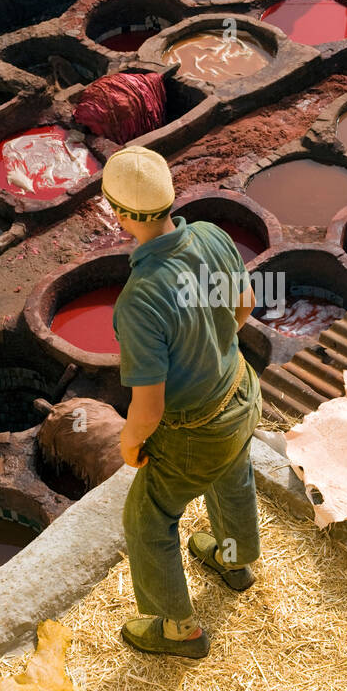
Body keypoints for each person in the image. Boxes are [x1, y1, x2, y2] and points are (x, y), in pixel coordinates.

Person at [105, 145, 262, 661]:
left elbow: (147, 409)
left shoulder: (140, 299)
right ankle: (234, 562)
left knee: (149, 520)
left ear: (122, 214)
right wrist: (210, 346)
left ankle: (178, 630)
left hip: (195, 428)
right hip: (240, 392)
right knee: (231, 473)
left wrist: (131, 445)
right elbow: (244, 307)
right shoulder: (214, 237)